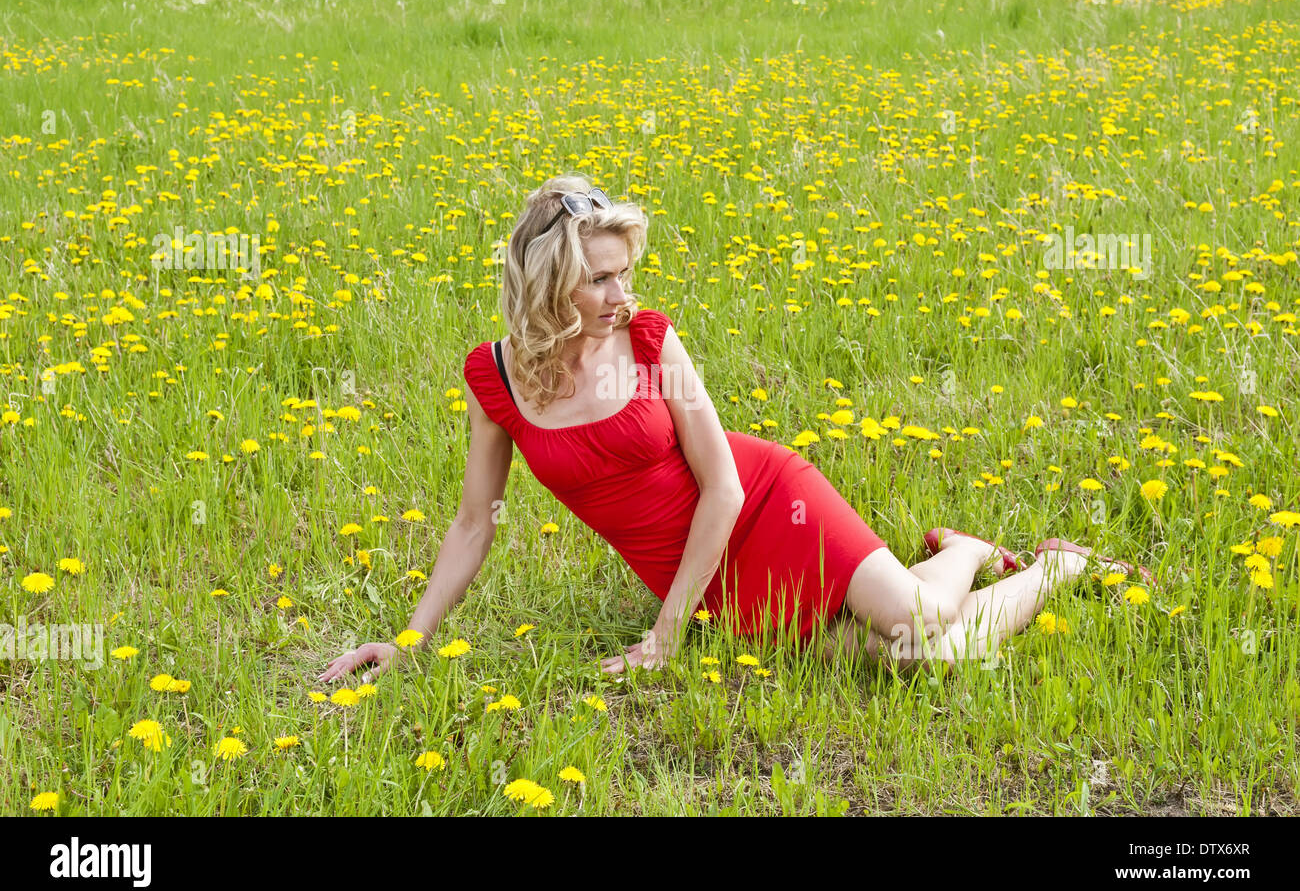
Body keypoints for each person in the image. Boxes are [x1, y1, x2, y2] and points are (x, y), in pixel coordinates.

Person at [319, 175, 1153, 685]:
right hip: (699, 572)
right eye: (599, 280)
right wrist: (409, 642)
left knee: (927, 641)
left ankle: (1055, 566)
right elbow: (475, 521)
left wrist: (664, 635)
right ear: (547, 285)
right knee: (908, 661)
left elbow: (721, 483)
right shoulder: (495, 376)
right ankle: (961, 552)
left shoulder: (652, 339)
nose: (622, 296)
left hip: (763, 505)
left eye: (625, 274)